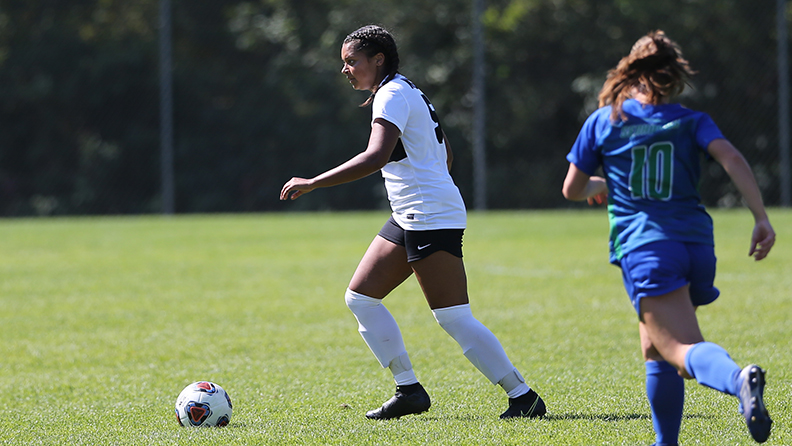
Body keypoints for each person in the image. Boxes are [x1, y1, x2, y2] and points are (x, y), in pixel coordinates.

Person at [280, 24, 546, 420]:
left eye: (351, 61)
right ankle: (409, 390)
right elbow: (446, 153)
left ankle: (523, 397)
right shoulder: (405, 90)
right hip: (414, 213)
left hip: (427, 215)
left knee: (453, 317)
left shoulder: (391, 94)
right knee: (360, 297)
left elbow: (375, 157)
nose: (346, 70)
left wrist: (314, 182)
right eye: (344, 63)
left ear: (378, 59)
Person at [562, 30, 774, 445]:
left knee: (678, 347)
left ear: (631, 72)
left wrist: (601, 184)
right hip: (696, 245)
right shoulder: (690, 119)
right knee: (654, 347)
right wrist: (760, 217)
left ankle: (738, 379)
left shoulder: (607, 120)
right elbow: (730, 156)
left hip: (647, 247)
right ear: (673, 74)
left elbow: (572, 188)